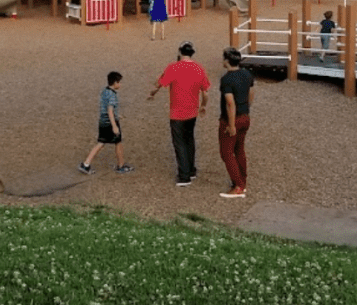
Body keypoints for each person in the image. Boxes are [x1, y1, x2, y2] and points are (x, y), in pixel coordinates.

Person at [148, 41, 210, 187]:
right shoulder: (199, 68)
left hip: (177, 112)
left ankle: (184, 175)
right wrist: (203, 106)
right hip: (192, 110)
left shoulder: (173, 67)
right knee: (189, 140)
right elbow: (205, 92)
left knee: (179, 143)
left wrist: (152, 92)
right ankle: (191, 169)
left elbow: (160, 83)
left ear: (179, 52)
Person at [217, 46, 255, 199]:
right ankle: (242, 181)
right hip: (245, 116)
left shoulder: (227, 79)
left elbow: (230, 103)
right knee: (239, 149)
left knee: (226, 152)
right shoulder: (246, 74)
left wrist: (231, 124)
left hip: (231, 119)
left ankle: (238, 185)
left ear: (226, 61)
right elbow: (251, 92)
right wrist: (246, 107)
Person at [78, 71, 133, 175]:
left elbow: (105, 107)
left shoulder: (104, 91)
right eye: (119, 82)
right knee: (118, 142)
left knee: (101, 143)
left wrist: (118, 116)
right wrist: (114, 126)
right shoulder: (112, 95)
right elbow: (110, 110)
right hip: (109, 123)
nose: (120, 84)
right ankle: (121, 166)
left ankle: (86, 164)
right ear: (115, 83)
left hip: (103, 121)